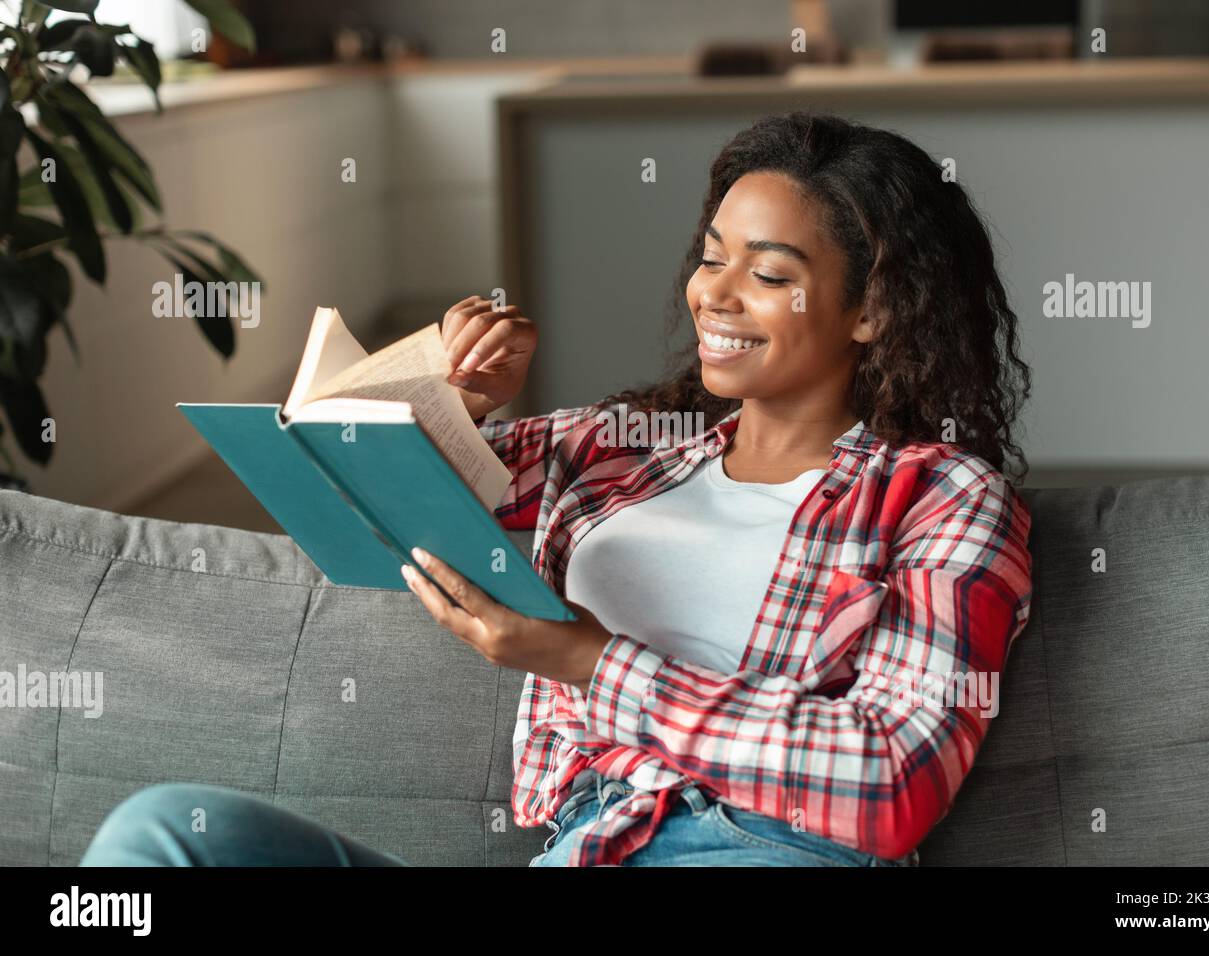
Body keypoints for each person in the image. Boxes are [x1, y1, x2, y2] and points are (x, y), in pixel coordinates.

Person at [81, 111, 1033, 868]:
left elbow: (893, 781)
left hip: (767, 847)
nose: (715, 293)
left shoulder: (940, 498)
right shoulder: (620, 452)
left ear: (871, 309)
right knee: (167, 832)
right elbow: (379, 500)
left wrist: (591, 663)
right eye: (711, 257)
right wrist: (456, 393)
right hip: (588, 840)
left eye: (769, 272)